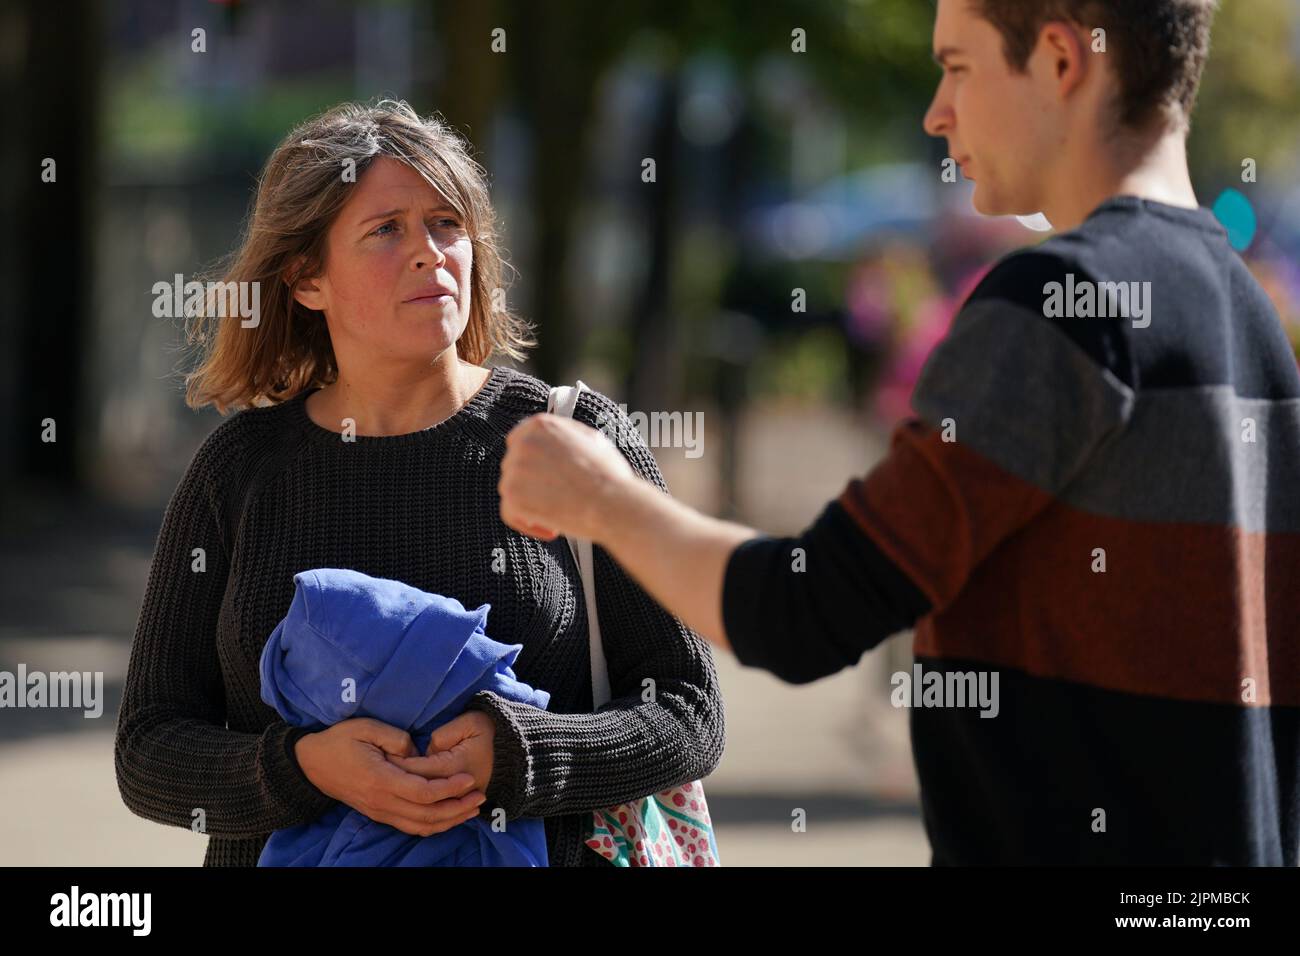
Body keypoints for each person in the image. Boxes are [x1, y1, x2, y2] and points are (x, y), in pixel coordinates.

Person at [499, 0, 1300, 865]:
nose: (935, 111)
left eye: (957, 65)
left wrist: (600, 498)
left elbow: (806, 611)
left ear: (1063, 62)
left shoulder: (1059, 302)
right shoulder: (1252, 314)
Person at [114, 99, 725, 867]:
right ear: (306, 279)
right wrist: (302, 768)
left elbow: (688, 711)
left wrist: (519, 755)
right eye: (387, 229)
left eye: (447, 223)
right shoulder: (239, 470)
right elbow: (148, 749)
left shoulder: (576, 439)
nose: (430, 253)